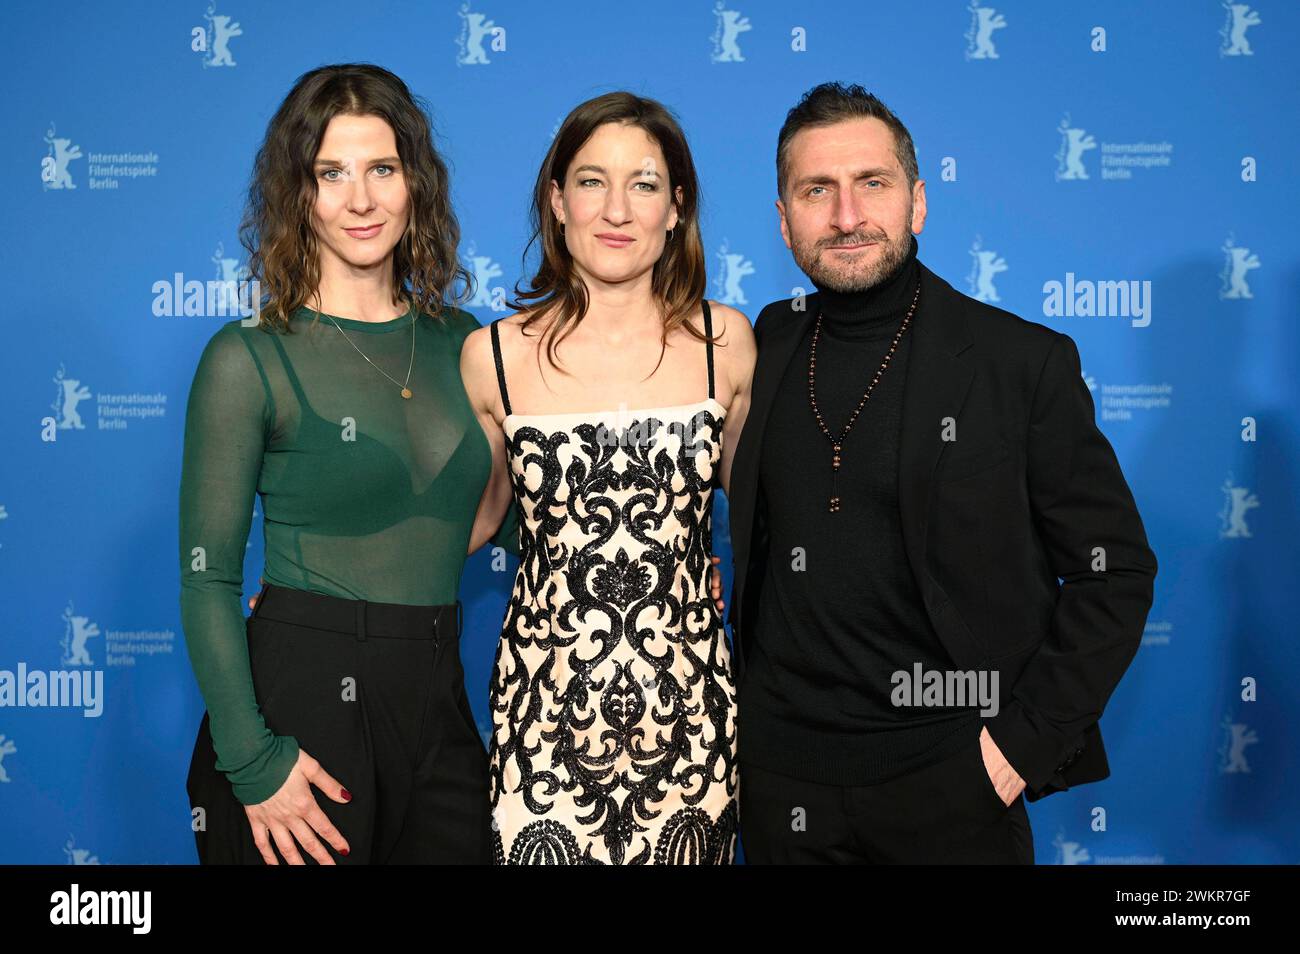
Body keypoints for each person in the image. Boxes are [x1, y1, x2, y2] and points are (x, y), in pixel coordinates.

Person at [727, 83, 1158, 863]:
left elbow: (1115, 571)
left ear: (917, 203)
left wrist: (1017, 750)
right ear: (785, 219)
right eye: (816, 190)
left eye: (873, 184)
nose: (847, 216)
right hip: (780, 786)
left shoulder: (1018, 363)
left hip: (950, 785)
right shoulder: (766, 345)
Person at [181, 63, 518, 865]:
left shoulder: (466, 342)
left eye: (381, 170)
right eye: (330, 173)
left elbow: (478, 506)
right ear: (298, 192)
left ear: (415, 183)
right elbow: (207, 579)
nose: (360, 200)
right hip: (303, 711)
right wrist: (254, 763)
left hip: (438, 704)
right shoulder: (249, 355)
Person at [460, 91, 757, 864]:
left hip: (691, 726)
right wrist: (321, 584)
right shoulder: (495, 356)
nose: (617, 209)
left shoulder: (727, 342)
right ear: (557, 201)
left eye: (645, 184)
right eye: (592, 181)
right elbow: (470, 524)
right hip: (541, 727)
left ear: (676, 205)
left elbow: (775, 519)